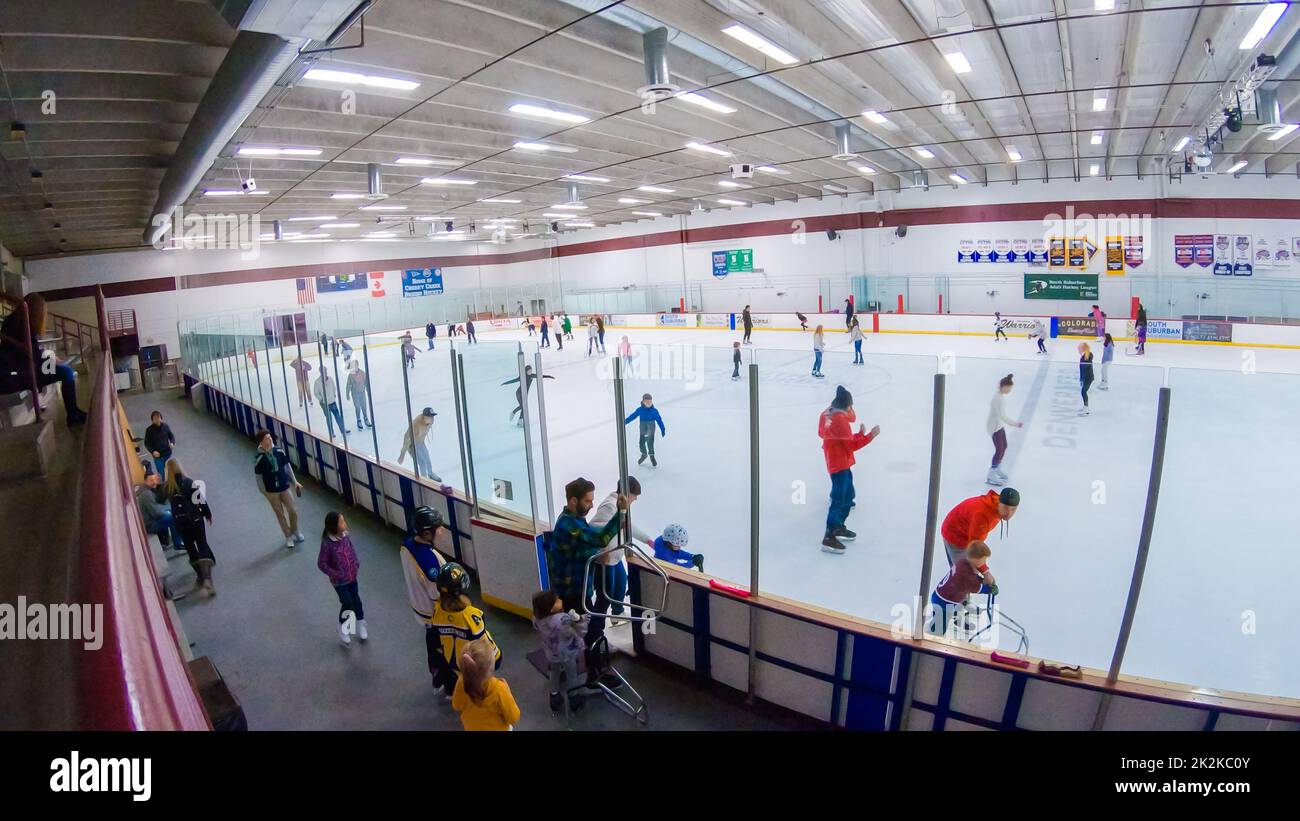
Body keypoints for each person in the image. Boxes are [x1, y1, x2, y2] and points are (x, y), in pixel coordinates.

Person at [548, 477, 627, 689]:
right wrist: (621, 513)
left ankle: (592, 671)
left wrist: (593, 553)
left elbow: (580, 548)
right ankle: (593, 675)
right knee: (590, 630)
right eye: (588, 501)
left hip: (577, 588)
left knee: (590, 629)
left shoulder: (573, 519)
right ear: (573, 501)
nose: (592, 505)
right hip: (572, 592)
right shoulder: (569, 525)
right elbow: (599, 539)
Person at [0, 292, 86, 426]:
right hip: (21, 372)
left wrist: (49, 357)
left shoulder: (14, 321)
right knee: (66, 372)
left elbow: (31, 352)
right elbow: (31, 354)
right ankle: (73, 414)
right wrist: (50, 357)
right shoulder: (24, 324)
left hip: (21, 368)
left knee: (66, 370)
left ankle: (73, 412)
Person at [818, 386, 879, 553]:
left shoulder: (827, 414)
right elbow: (851, 445)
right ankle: (829, 536)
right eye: (851, 406)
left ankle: (838, 526)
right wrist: (869, 436)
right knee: (840, 498)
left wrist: (858, 434)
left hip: (836, 461)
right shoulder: (839, 419)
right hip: (840, 464)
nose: (852, 409)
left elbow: (831, 435)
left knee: (848, 494)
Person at [431, 562, 502, 699]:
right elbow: (483, 643)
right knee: (483, 691)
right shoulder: (471, 615)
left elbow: (436, 642)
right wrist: (496, 657)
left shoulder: (437, 611)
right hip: (475, 664)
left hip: (455, 663)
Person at [401, 506, 451, 694]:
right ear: (427, 533)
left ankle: (436, 677)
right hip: (434, 612)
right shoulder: (431, 560)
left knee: (431, 644)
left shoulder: (407, 545)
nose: (442, 530)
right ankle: (448, 685)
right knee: (443, 647)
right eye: (439, 528)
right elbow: (436, 593)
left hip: (419, 607)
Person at [587, 476, 650, 623]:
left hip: (614, 556)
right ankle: (597, 627)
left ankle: (617, 612)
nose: (635, 499)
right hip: (604, 558)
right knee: (605, 594)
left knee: (621, 583)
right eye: (635, 495)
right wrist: (603, 551)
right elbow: (596, 528)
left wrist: (648, 540)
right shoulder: (610, 505)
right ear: (628, 493)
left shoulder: (620, 505)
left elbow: (626, 525)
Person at [533, 590, 589, 714]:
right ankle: (574, 698)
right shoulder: (563, 619)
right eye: (557, 600)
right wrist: (580, 619)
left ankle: (554, 696)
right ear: (551, 609)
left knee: (554, 672)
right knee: (571, 675)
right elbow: (580, 632)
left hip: (551, 653)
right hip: (567, 653)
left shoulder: (538, 619)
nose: (560, 600)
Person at [165, 459, 215, 595]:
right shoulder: (188, 482)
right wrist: (207, 514)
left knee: (191, 548)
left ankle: (199, 575)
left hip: (181, 524)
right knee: (202, 545)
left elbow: (159, 499)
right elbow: (200, 500)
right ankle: (207, 578)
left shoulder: (167, 487)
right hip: (195, 520)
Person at [940, 487, 1019, 569]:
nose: (1009, 513)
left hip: (965, 531)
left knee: (970, 570)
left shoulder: (995, 505)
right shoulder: (983, 516)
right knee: (965, 573)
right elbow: (975, 547)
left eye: (1013, 509)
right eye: (1005, 508)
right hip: (955, 535)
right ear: (999, 502)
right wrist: (984, 571)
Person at [318, 511, 366, 645]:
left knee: (356, 599)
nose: (345, 523)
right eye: (342, 522)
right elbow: (322, 563)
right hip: (340, 582)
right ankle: (344, 627)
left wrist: (356, 562)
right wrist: (336, 574)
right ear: (334, 526)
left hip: (352, 577)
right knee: (348, 603)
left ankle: (361, 622)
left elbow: (351, 548)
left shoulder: (345, 536)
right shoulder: (327, 544)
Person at [930, 541, 996, 636]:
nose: (984, 563)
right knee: (941, 624)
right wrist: (989, 589)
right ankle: (934, 637)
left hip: (939, 595)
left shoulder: (962, 563)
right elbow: (975, 587)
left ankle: (935, 624)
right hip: (945, 601)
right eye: (983, 560)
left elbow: (971, 579)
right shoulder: (967, 575)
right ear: (975, 559)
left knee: (938, 615)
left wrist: (981, 579)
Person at [453, 637, 518, 731]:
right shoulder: (499, 688)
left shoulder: (461, 682)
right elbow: (514, 718)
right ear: (490, 668)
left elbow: (456, 705)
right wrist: (508, 692)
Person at [253, 428, 304, 548]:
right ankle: (288, 536)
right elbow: (258, 477)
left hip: (284, 486)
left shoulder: (279, 451)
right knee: (280, 514)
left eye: (270, 437)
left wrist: (295, 481)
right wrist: (264, 492)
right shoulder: (259, 458)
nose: (270, 439)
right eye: (266, 438)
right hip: (271, 491)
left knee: (292, 510)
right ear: (261, 441)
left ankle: (295, 530)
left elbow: (287, 467)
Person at [986, 374, 1024, 487]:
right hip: (994, 427)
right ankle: (991, 474)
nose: (1010, 390)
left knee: (1004, 446)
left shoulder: (1000, 396)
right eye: (1009, 388)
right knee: (999, 449)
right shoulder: (997, 399)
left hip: (999, 425)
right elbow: (1003, 416)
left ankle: (997, 467)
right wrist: (1016, 424)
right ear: (1004, 387)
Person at [136, 471, 185, 551]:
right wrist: (169, 510)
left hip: (150, 521)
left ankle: (172, 541)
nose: (153, 482)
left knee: (171, 514)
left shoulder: (148, 490)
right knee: (173, 517)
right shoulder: (146, 494)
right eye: (150, 480)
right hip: (149, 525)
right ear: (145, 481)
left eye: (154, 479)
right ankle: (178, 543)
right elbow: (156, 512)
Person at [624, 392, 666, 467]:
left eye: (650, 401)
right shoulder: (640, 410)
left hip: (651, 428)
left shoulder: (654, 411)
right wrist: (625, 421)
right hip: (643, 428)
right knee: (641, 443)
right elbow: (633, 416)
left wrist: (663, 429)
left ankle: (651, 455)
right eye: (647, 402)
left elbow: (659, 420)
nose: (648, 403)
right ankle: (644, 454)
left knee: (650, 443)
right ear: (643, 401)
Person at [398, 407, 440, 480]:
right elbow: (407, 438)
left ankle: (430, 473)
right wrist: (402, 454)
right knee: (422, 462)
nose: (432, 418)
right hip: (412, 445)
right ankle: (424, 479)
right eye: (430, 416)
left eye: (433, 416)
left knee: (427, 458)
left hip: (420, 442)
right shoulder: (415, 425)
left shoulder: (429, 422)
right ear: (425, 417)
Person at [313, 371, 349, 437]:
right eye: (323, 371)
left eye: (325, 371)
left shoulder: (330, 379)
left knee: (338, 416)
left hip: (332, 401)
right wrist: (321, 399)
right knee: (329, 419)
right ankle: (331, 432)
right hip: (324, 404)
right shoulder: (317, 382)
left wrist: (333, 394)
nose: (325, 372)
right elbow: (316, 393)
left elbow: (334, 387)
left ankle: (343, 430)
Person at [143, 410, 176, 477]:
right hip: (158, 456)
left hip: (167, 453)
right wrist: (153, 451)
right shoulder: (149, 430)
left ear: (161, 418)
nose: (157, 420)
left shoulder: (165, 426)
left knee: (170, 470)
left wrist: (172, 443)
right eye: (155, 418)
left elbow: (171, 436)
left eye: (158, 417)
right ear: (152, 420)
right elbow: (147, 443)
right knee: (161, 472)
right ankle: (163, 485)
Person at [345, 360, 372, 429]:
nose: (355, 367)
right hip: (355, 394)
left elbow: (366, 383)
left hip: (362, 393)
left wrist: (368, 392)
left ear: (358, 365)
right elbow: (348, 385)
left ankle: (366, 419)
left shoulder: (362, 373)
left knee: (364, 406)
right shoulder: (351, 375)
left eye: (356, 365)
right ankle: (358, 420)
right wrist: (347, 394)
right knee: (357, 407)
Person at [1078, 342, 1095, 417]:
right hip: (1085, 377)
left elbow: (1085, 366)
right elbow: (1082, 368)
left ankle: (1086, 409)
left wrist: (1083, 378)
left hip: (1088, 377)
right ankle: (1085, 407)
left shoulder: (1088, 355)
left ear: (1083, 348)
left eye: (1080, 347)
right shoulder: (1083, 356)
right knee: (1083, 391)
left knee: (1083, 391)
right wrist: (1081, 379)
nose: (1078, 349)